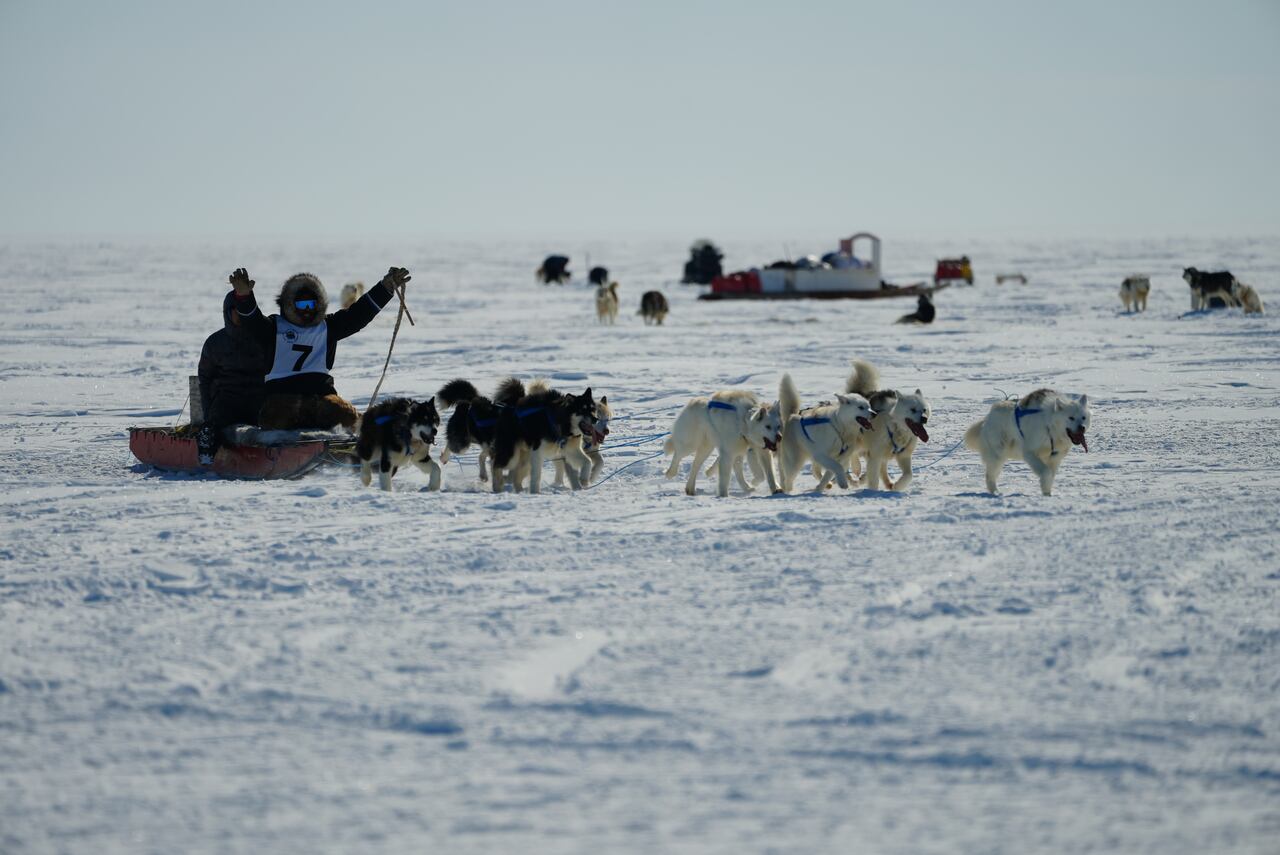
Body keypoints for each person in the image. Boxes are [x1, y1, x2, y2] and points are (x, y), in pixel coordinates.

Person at [228, 265, 410, 430]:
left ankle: (365, 440)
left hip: (320, 399)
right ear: (289, 304)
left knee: (345, 414)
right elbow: (252, 321)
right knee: (279, 415)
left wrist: (386, 288)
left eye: (311, 304)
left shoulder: (327, 327)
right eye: (301, 304)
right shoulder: (274, 328)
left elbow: (359, 314)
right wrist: (244, 296)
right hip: (281, 399)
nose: (307, 309)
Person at [195, 289, 270, 465]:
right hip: (228, 401)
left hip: (258, 398)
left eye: (245, 311)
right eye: (237, 311)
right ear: (228, 312)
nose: (242, 315)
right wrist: (207, 416)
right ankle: (207, 454)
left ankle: (283, 452)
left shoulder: (264, 338)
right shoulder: (215, 342)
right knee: (214, 426)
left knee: (275, 421)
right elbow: (204, 381)